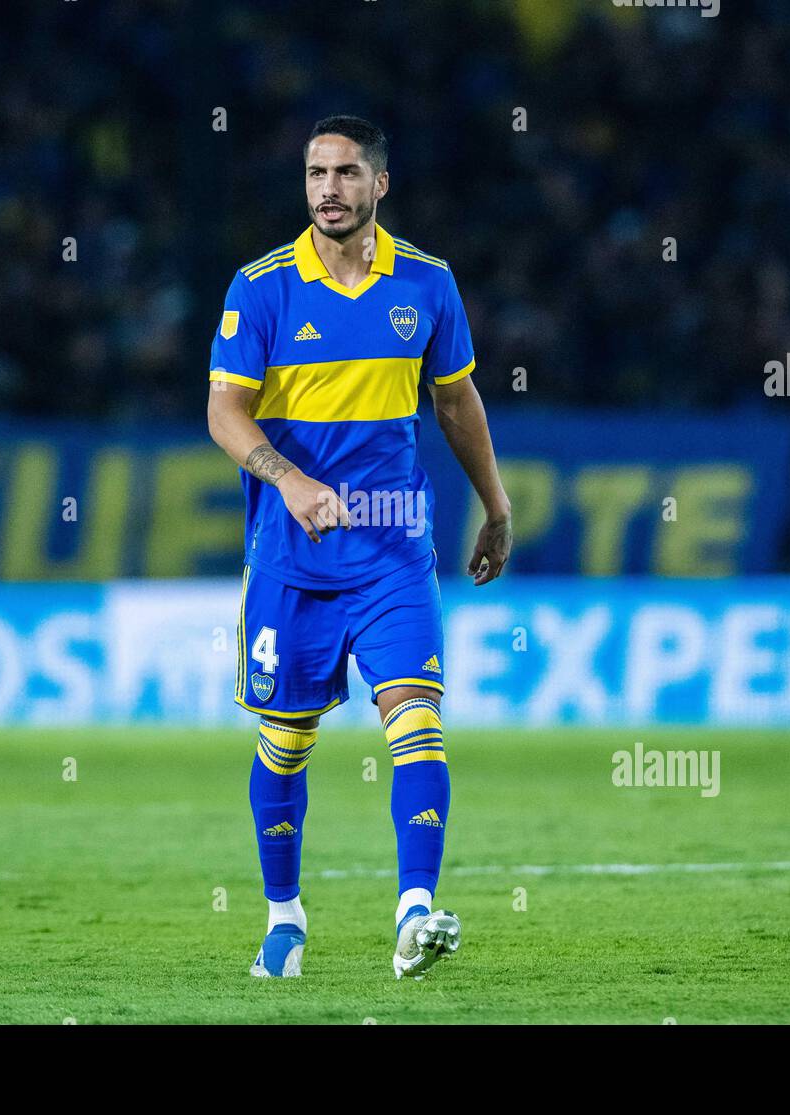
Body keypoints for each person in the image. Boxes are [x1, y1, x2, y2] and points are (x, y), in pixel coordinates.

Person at [206, 114, 512, 980]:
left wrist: (494, 503)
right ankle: (284, 919)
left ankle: (415, 912)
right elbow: (224, 410)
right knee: (286, 740)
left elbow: (456, 403)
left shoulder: (428, 283)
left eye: (344, 174)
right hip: (291, 552)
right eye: (314, 174)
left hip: (391, 549)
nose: (327, 190)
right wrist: (289, 479)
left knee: (417, 723)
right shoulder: (262, 286)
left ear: (381, 184)